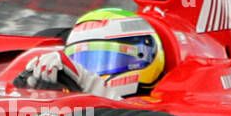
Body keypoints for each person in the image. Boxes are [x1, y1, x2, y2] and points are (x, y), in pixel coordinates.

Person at [15, 8, 165, 98]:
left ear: (139, 57)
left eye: (104, 60)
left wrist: (87, 81)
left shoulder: (159, 107)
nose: (88, 70)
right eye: (82, 60)